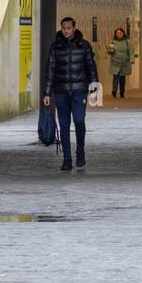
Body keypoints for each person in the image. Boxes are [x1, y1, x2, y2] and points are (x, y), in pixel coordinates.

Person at [42, 16, 98, 173]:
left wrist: (94, 88)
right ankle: (67, 159)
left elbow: (91, 68)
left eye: (69, 28)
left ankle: (80, 150)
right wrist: (47, 93)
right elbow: (50, 70)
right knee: (64, 125)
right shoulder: (55, 47)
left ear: (74, 28)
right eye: (64, 28)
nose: (66, 31)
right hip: (61, 92)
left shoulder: (84, 46)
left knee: (79, 120)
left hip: (79, 90)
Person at [105, 27, 135, 99]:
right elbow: (110, 53)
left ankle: (122, 92)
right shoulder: (113, 42)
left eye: (120, 33)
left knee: (122, 78)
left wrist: (132, 59)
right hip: (115, 62)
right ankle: (114, 90)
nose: (119, 34)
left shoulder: (127, 42)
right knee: (115, 77)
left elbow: (131, 51)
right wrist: (109, 49)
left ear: (123, 33)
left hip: (124, 63)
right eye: (117, 33)